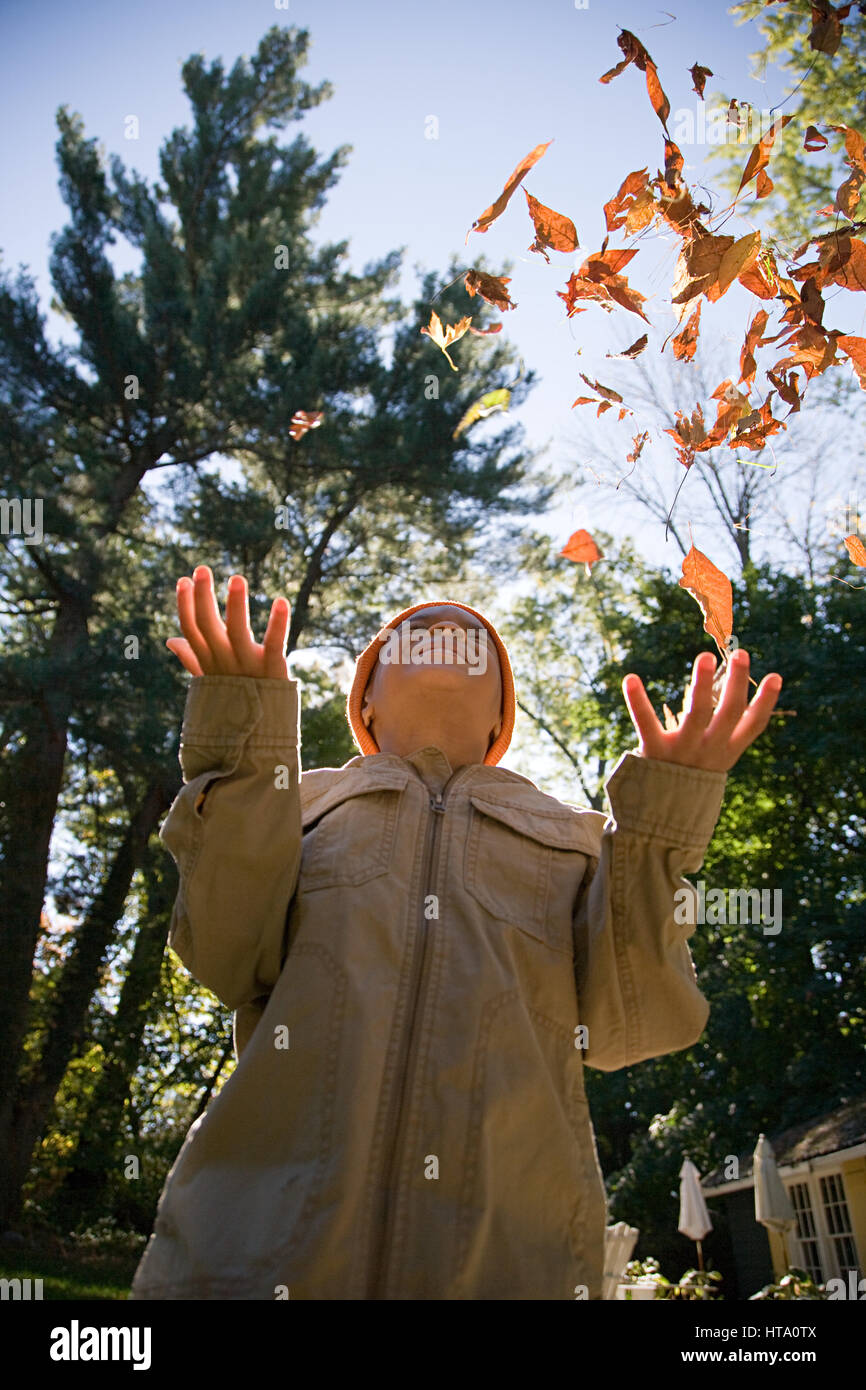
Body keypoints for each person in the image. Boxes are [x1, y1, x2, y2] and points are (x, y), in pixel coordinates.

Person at [130, 564, 782, 1300]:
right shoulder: (295, 806)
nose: (447, 629)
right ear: (365, 704)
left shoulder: (583, 842)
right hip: (253, 1259)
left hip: (508, 1267)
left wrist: (662, 826)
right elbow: (224, 953)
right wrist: (241, 735)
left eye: (475, 637)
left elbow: (631, 1024)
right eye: (412, 631)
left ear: (501, 722)